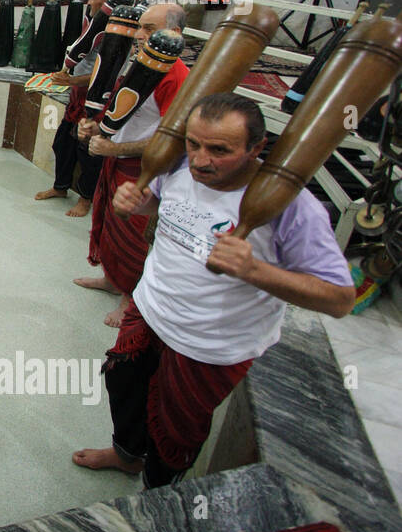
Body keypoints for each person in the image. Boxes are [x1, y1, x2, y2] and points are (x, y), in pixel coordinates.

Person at [73, 93, 354, 486]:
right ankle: (127, 456)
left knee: (177, 430)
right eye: (194, 143)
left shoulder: (291, 204)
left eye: (220, 150)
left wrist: (255, 270)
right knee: (123, 386)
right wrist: (139, 203)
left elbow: (340, 299)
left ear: (257, 148)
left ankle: (160, 494)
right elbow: (164, 204)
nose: (201, 160)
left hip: (210, 344)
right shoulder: (179, 165)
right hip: (150, 310)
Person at [74, 2, 189, 328]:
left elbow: (171, 138)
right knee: (110, 225)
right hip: (119, 159)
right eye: (139, 27)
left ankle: (130, 298)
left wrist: (115, 146)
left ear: (174, 34)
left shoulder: (176, 75)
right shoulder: (143, 63)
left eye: (149, 30)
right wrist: (96, 126)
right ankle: (113, 280)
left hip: (144, 168)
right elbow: (124, 112)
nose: (139, 35)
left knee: (134, 237)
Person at [35, 0, 121, 218]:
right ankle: (60, 187)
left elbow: (105, 76)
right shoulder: (93, 26)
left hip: (94, 103)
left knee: (88, 155)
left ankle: (85, 200)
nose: (89, 2)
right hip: (76, 99)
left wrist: (72, 81)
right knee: (62, 144)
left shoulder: (115, 37)